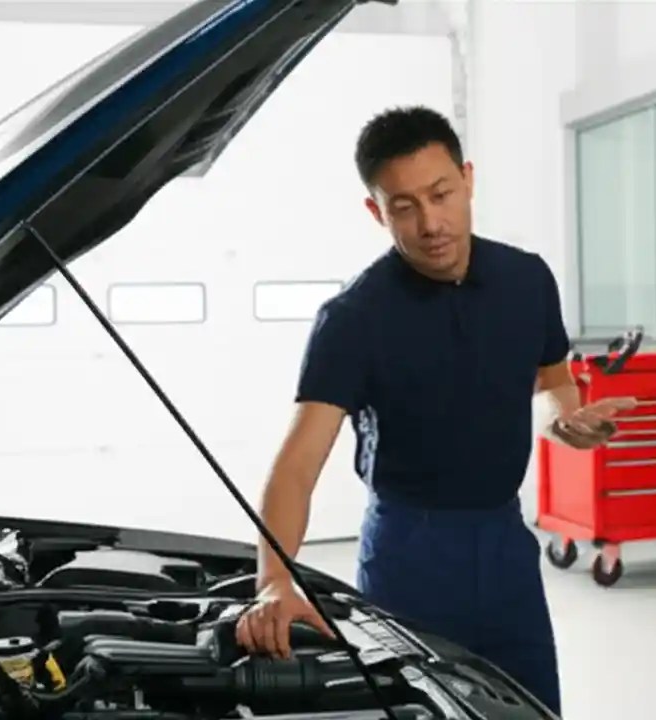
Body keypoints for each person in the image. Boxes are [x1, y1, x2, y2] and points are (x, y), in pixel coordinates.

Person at [233, 105, 634, 715]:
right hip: (407, 554)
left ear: (467, 179)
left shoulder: (527, 282)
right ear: (376, 211)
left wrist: (567, 420)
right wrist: (274, 580)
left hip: (505, 544)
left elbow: (553, 379)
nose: (431, 223)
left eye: (441, 194)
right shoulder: (353, 320)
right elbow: (297, 464)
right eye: (404, 206)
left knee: (530, 708)